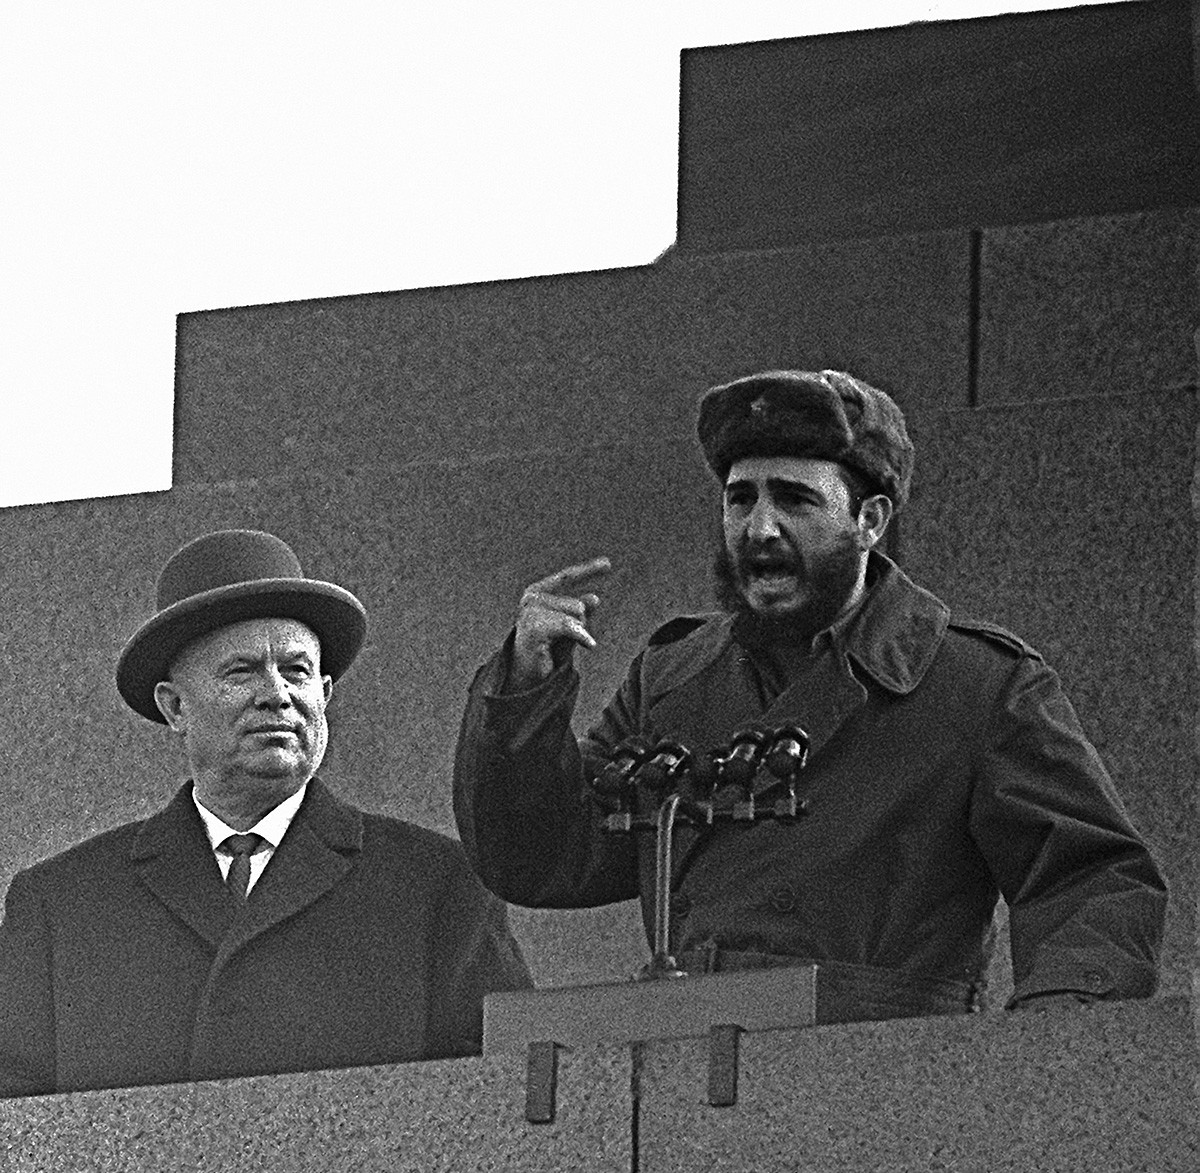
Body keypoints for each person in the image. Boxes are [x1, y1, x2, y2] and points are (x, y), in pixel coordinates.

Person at [453, 368, 1167, 1024]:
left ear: (871, 520)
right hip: (689, 1077)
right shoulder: (672, 678)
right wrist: (525, 687)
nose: (759, 529)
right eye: (741, 499)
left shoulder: (977, 686)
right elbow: (544, 855)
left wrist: (1051, 1043)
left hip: (886, 1084)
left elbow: (1093, 877)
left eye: (794, 499)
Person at [0, 529, 531, 1098]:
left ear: (324, 693)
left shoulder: (437, 885)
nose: (277, 693)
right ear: (174, 706)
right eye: (242, 671)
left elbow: (500, 1101)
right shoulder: (62, 904)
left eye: (298, 672)